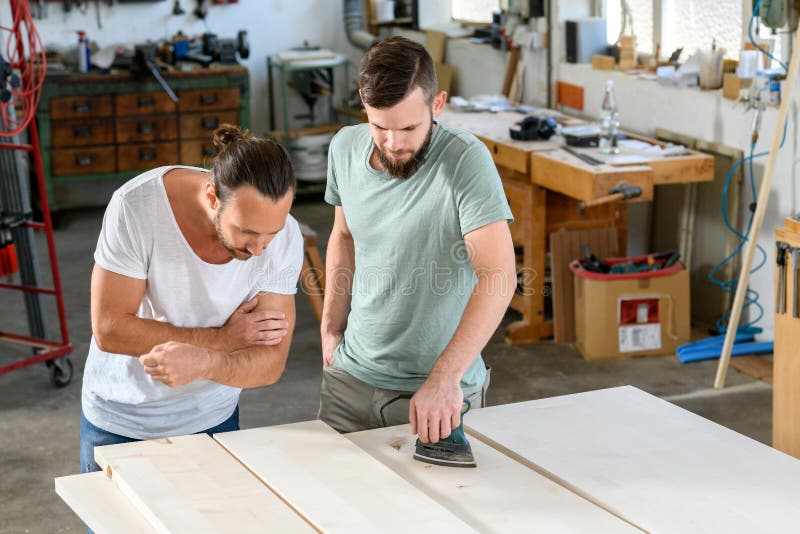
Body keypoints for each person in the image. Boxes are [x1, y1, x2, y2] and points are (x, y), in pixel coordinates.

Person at [319, 36, 516, 445]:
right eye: (380, 127)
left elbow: (498, 276)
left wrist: (445, 378)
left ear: (437, 105)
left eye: (409, 127)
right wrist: (330, 328)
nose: (394, 144)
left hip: (438, 392)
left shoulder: (466, 160)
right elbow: (343, 235)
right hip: (349, 379)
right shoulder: (343, 147)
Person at [80, 125, 303, 474]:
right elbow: (110, 329)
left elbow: (270, 363)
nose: (259, 248)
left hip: (214, 419)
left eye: (270, 233)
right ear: (212, 197)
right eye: (245, 231)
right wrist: (222, 341)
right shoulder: (137, 207)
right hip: (121, 421)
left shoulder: (285, 236)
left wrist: (206, 363)